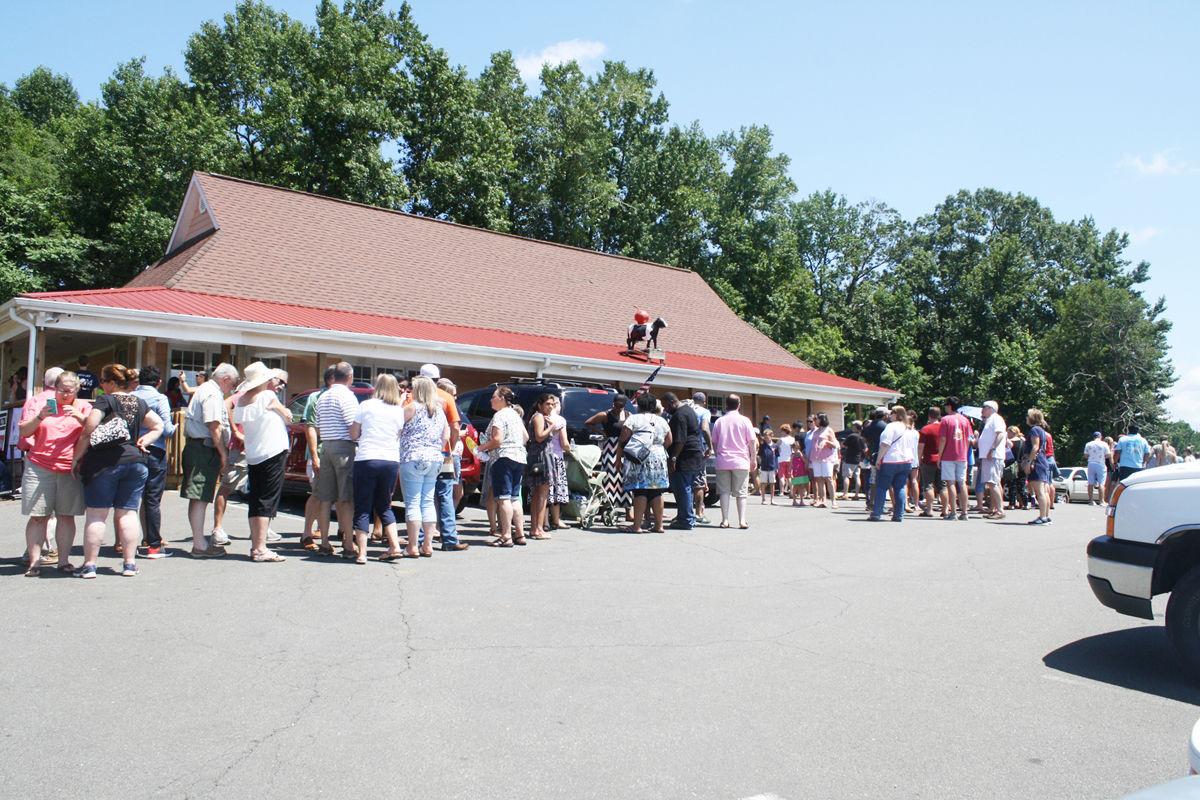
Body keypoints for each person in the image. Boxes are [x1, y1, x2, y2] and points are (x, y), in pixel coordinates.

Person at [71, 364, 163, 578]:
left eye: (102, 381)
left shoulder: (106, 400)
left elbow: (89, 428)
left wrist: (76, 458)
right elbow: (158, 425)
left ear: (112, 383)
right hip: (135, 461)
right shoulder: (138, 402)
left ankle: (90, 565)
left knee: (96, 515)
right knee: (128, 513)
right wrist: (145, 440)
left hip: (105, 463)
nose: (101, 385)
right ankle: (129, 564)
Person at [18, 371, 90, 575]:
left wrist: (82, 419)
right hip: (39, 465)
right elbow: (24, 432)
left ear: (77, 390)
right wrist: (41, 416)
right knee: (38, 516)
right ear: (55, 388)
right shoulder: (44, 404)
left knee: (66, 516)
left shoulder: (84, 407)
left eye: (69, 390)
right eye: (61, 390)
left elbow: (95, 432)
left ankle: (64, 561)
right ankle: (34, 563)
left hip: (70, 468)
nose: (65, 395)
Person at [232, 362, 291, 562]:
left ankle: (256, 546)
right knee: (267, 500)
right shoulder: (267, 396)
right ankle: (260, 548)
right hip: (272, 452)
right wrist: (280, 408)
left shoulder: (242, 400)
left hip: (254, 453)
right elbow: (289, 417)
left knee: (256, 499)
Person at [181, 362, 239, 557]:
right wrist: (223, 455)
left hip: (200, 447)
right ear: (225, 379)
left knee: (199, 496)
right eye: (232, 384)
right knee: (200, 497)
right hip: (203, 449)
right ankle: (200, 545)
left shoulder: (206, 389)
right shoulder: (212, 393)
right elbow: (214, 426)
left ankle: (199, 542)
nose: (231, 389)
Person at [348, 373, 406, 561]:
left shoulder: (365, 405)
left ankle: (362, 553)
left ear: (377, 386)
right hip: (390, 460)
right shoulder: (398, 410)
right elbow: (399, 434)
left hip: (367, 458)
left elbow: (354, 433)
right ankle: (395, 546)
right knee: (385, 505)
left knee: (363, 506)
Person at [397, 376, 450, 558]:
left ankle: (412, 546)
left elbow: (396, 425)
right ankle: (428, 545)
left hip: (413, 457)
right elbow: (446, 435)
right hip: (434, 458)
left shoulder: (412, 407)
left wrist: (401, 402)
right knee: (427, 502)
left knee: (412, 503)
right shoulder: (439, 411)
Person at [417, 365, 466, 553]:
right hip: (444, 454)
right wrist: (450, 448)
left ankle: (421, 538)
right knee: (445, 495)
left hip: (419, 454)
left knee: (422, 496)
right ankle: (450, 538)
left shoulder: (414, 396)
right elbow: (455, 427)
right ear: (438, 379)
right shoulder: (445, 398)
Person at [314, 362, 358, 557]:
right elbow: (353, 426)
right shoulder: (347, 396)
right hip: (343, 447)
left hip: (326, 445)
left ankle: (324, 542)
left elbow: (316, 425)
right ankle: (348, 544)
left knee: (325, 498)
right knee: (346, 498)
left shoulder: (323, 396)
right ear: (349, 377)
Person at [131, 366, 176, 557]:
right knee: (152, 499)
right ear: (158, 382)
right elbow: (166, 430)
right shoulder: (160, 398)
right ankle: (154, 544)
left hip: (131, 450)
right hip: (154, 450)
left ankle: (125, 543)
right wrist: (175, 427)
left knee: (129, 500)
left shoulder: (130, 396)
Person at [614, 392, 673, 533]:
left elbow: (623, 440)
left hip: (638, 458)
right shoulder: (662, 420)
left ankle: (637, 526)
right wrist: (658, 449)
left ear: (639, 405)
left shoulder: (634, 419)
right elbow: (669, 440)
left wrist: (618, 459)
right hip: (658, 457)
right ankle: (659, 526)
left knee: (640, 490)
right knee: (656, 491)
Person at [477, 386, 527, 546]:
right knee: (514, 497)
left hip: (503, 457)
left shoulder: (499, 415)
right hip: (519, 457)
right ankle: (520, 534)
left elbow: (497, 439)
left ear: (502, 399)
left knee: (503, 498)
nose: (491, 400)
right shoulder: (515, 415)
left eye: (494, 397)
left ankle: (506, 535)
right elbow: (525, 437)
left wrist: (482, 448)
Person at [710, 394, 756, 529]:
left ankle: (725, 520)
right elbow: (752, 441)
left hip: (723, 460)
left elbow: (714, 442)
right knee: (741, 493)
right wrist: (753, 459)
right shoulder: (745, 420)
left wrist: (719, 453)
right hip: (741, 460)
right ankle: (742, 520)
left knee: (724, 492)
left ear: (726, 405)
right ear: (739, 404)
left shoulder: (719, 421)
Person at [529, 394, 571, 540]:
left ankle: (535, 528)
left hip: (541, 457)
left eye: (552, 404)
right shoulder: (539, 417)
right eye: (547, 404)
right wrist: (552, 427)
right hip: (542, 457)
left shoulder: (540, 417)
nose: (550, 407)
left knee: (538, 495)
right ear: (540, 405)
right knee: (541, 496)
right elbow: (540, 436)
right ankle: (539, 529)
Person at [586, 395, 633, 521]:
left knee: (625, 479)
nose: (617, 408)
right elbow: (588, 422)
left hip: (624, 448)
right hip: (610, 448)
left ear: (624, 405)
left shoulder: (628, 415)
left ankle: (629, 512)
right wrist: (602, 433)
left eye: (620, 406)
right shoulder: (605, 414)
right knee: (609, 479)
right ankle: (606, 510)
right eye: (615, 405)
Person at [663, 392, 704, 529]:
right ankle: (685, 516)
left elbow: (680, 439)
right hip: (694, 454)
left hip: (685, 456)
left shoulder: (679, 415)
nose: (665, 409)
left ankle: (686, 520)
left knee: (683, 488)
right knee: (687, 487)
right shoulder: (689, 410)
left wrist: (673, 457)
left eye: (666, 406)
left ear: (671, 402)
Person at [870, 405, 915, 522]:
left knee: (882, 487)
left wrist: (879, 459)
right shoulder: (908, 428)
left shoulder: (891, 426)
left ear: (896, 414)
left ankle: (876, 513)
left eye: (892, 413)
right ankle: (899, 515)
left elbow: (885, 444)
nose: (890, 416)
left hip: (890, 460)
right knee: (900, 487)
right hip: (906, 461)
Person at [938, 396, 974, 521]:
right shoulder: (965, 420)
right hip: (962, 455)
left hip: (948, 455)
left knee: (950, 483)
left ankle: (953, 512)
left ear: (949, 406)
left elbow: (943, 439)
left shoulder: (945, 420)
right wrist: (964, 449)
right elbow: (970, 439)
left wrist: (939, 455)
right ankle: (964, 512)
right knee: (962, 482)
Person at [977, 400, 1007, 520]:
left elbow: (1000, 434)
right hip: (989, 455)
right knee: (992, 483)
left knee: (993, 482)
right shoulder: (991, 419)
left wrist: (992, 449)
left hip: (993, 455)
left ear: (990, 408)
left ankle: (999, 510)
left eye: (984, 407)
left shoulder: (996, 418)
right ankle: (994, 508)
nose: (982, 410)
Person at [1024, 408, 1053, 526]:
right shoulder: (1042, 430)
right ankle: (1046, 516)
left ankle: (1042, 517)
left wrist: (1029, 462)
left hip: (1037, 462)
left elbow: (1035, 447)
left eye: (1027, 416)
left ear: (1032, 418)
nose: (1026, 418)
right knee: (1044, 491)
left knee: (1039, 492)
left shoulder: (1034, 430)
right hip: (1043, 461)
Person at [917, 408, 945, 517]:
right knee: (943, 486)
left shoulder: (925, 429)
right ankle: (945, 509)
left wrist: (919, 460)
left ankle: (929, 510)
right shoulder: (944, 428)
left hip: (928, 460)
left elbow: (920, 448)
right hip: (942, 460)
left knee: (928, 485)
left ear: (929, 416)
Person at [691, 393, 713, 524]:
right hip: (698, 448)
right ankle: (698, 513)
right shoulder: (704, 412)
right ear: (704, 401)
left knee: (686, 482)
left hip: (684, 448)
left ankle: (685, 511)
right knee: (699, 481)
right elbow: (705, 428)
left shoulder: (685, 409)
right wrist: (710, 446)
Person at [810, 413, 839, 509]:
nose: (815, 421)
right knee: (819, 479)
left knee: (828, 478)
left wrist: (826, 442)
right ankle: (823, 500)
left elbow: (835, 445)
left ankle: (834, 501)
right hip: (815, 458)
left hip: (826, 458)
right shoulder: (816, 431)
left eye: (816, 419)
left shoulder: (829, 430)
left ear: (822, 419)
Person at [862, 408, 887, 511]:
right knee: (884, 481)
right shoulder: (886, 426)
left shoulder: (868, 426)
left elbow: (863, 438)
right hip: (885, 456)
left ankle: (871, 502)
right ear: (884, 416)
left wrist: (869, 446)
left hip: (873, 456)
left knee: (873, 480)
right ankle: (881, 504)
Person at [838, 422, 866, 501]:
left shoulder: (851, 436)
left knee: (846, 476)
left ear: (856, 427)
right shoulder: (861, 437)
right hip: (858, 459)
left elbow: (844, 445)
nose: (852, 427)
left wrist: (843, 444)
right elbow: (864, 449)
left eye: (853, 426)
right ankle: (856, 494)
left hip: (849, 459)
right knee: (857, 477)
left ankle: (845, 494)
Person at [1083, 432, 1111, 506]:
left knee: (1090, 482)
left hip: (1091, 463)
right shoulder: (1104, 444)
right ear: (1100, 437)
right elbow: (1108, 455)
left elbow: (1086, 455)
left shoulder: (1088, 444)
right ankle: (1101, 501)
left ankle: (1091, 501)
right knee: (1101, 483)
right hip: (1100, 463)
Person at [757, 428, 778, 505]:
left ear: (771, 436)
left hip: (772, 466)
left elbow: (776, 457)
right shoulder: (762, 446)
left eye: (767, 436)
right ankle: (763, 499)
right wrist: (760, 463)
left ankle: (772, 499)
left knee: (772, 483)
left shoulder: (775, 446)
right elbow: (759, 456)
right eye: (765, 437)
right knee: (763, 483)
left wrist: (776, 467)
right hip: (764, 467)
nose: (766, 438)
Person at [777, 423, 795, 497]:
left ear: (784, 431)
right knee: (789, 476)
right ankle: (791, 492)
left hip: (781, 459)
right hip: (790, 459)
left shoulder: (781, 439)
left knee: (781, 476)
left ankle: (781, 492)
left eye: (782, 431)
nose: (781, 432)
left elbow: (775, 446)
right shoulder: (793, 439)